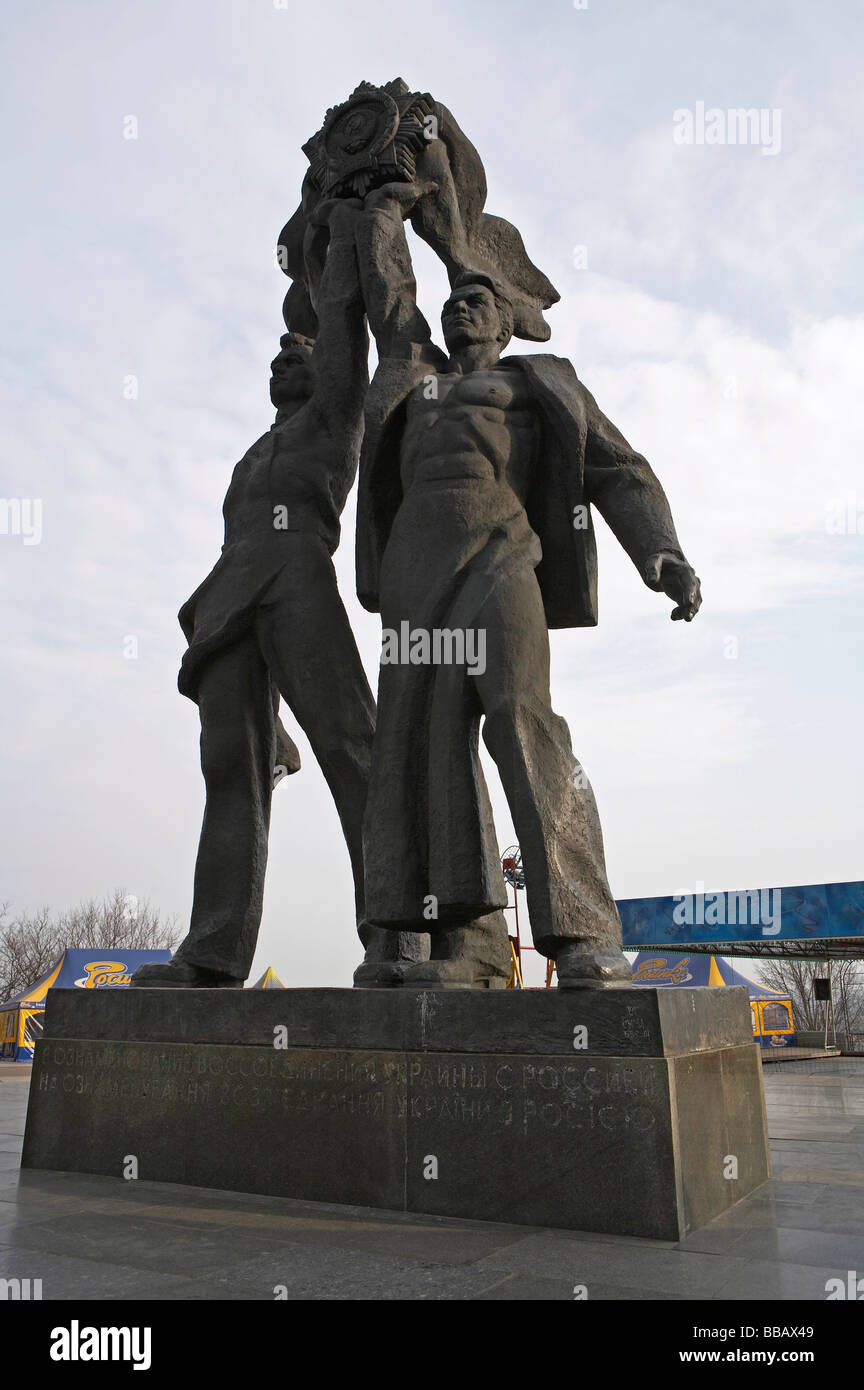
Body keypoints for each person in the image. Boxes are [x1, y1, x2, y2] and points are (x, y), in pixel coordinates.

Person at [351, 182, 702, 989]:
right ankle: (464, 948)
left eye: (476, 299)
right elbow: (389, 289)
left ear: (506, 319)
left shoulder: (539, 382)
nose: (458, 310)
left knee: (521, 719)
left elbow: (620, 470)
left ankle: (583, 933)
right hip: (413, 572)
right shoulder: (413, 375)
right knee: (420, 742)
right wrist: (385, 209)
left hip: (502, 556)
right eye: (452, 301)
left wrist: (662, 553)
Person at [132, 202, 421, 988]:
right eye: (273, 360)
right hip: (229, 601)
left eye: (295, 356)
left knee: (350, 746)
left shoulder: (333, 421)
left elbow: (340, 337)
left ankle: (398, 936)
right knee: (231, 770)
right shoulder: (251, 454)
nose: (280, 363)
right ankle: (213, 953)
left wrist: (336, 249)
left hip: (298, 582)